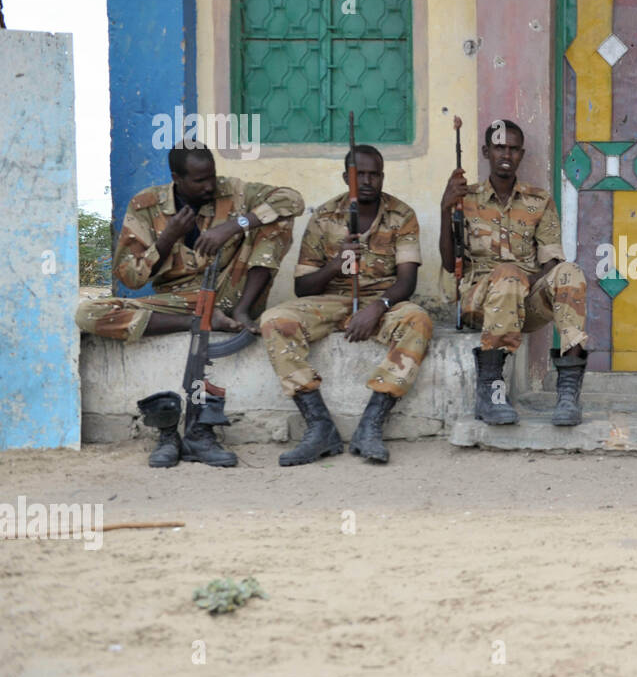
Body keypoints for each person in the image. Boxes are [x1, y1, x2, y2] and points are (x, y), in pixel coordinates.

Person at [75, 141, 304, 467]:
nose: (209, 186)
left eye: (211, 176)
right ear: (176, 178)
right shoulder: (146, 206)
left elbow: (292, 200)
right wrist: (167, 238)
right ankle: (198, 322)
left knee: (275, 220)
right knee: (89, 312)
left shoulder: (233, 192)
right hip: (180, 301)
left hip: (232, 292)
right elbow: (129, 277)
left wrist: (234, 225)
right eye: (199, 181)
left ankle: (238, 312)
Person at [260, 144, 431, 466]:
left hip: (383, 301)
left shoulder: (401, 215)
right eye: (359, 174)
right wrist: (334, 266)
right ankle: (319, 425)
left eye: (374, 174)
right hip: (331, 301)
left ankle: (371, 425)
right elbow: (303, 287)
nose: (367, 180)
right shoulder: (324, 216)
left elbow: (407, 282)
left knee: (418, 319)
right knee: (274, 320)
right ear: (345, 177)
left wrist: (377, 306)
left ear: (382, 177)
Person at [440, 119, 589, 426]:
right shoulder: (464, 198)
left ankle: (568, 393)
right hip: (479, 301)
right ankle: (491, 392)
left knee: (569, 272)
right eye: (498, 147)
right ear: (486, 152)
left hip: (524, 302)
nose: (505, 153)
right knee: (507, 274)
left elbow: (550, 262)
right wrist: (445, 208)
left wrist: (523, 283)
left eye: (513, 148)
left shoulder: (538, 200)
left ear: (521, 153)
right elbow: (446, 261)